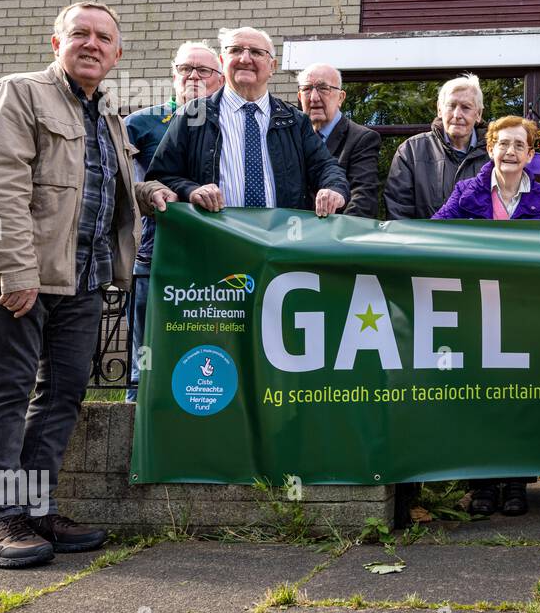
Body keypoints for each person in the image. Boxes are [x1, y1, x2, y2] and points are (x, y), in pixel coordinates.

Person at [0, 1, 174, 568]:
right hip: (24, 274)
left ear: (118, 54)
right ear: (56, 43)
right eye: (80, 33)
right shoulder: (20, 93)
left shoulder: (109, 117)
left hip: (84, 278)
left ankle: (34, 509)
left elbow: (106, 184)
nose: (93, 44)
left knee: (62, 394)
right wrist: (15, 269)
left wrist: (151, 194)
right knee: (7, 389)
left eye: (104, 37)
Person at [434, 116, 540, 516]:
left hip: (524, 310)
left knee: (521, 398)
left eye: (519, 146)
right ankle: (484, 485)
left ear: (529, 154)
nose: (510, 152)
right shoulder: (467, 191)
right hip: (475, 309)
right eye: (503, 144)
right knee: (481, 397)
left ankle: (518, 484)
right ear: (490, 149)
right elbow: (435, 232)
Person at [142, 27, 348, 214]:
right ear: (223, 62)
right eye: (236, 50)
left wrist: (333, 189)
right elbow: (161, 176)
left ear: (272, 66)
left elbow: (326, 168)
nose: (245, 59)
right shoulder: (193, 114)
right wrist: (191, 190)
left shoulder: (294, 120)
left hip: (279, 242)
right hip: (214, 242)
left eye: (257, 52)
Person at [124, 40, 224, 402]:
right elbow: (119, 180)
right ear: (173, 74)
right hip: (155, 253)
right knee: (146, 349)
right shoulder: (140, 124)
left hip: (219, 256)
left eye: (204, 70)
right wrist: (149, 191)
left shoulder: (229, 123)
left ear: (221, 78)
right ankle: (136, 417)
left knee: (207, 345)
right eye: (186, 69)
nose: (194, 76)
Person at [384, 73, 491, 220]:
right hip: (425, 242)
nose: (457, 114)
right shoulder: (411, 151)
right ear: (439, 110)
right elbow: (399, 213)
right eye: (451, 106)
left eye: (466, 107)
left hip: (480, 242)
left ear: (478, 114)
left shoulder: (495, 154)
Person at [297, 63, 381, 218]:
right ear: (299, 97)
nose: (314, 98)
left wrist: (335, 236)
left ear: (341, 97)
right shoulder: (293, 138)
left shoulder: (362, 139)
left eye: (323, 88)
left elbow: (363, 200)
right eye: (307, 89)